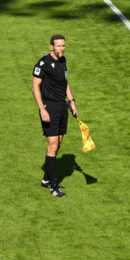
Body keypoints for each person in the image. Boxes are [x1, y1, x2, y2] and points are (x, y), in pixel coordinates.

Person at [31, 34, 79, 197]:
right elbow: (34, 87)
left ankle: (46, 179)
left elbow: (64, 82)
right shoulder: (43, 63)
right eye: (59, 46)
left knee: (58, 143)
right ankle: (53, 185)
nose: (62, 48)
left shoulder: (62, 60)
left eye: (63, 45)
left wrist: (71, 101)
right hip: (49, 106)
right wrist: (42, 109)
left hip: (61, 106)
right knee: (52, 147)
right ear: (51, 46)